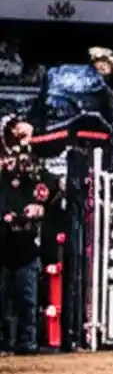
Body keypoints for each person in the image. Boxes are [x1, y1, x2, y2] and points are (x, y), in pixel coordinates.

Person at [0, 116, 63, 356]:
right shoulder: (3, 167)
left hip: (26, 240)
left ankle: (27, 341)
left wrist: (41, 208)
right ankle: (6, 341)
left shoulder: (34, 166)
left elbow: (53, 187)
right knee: (3, 296)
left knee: (27, 296)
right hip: (4, 237)